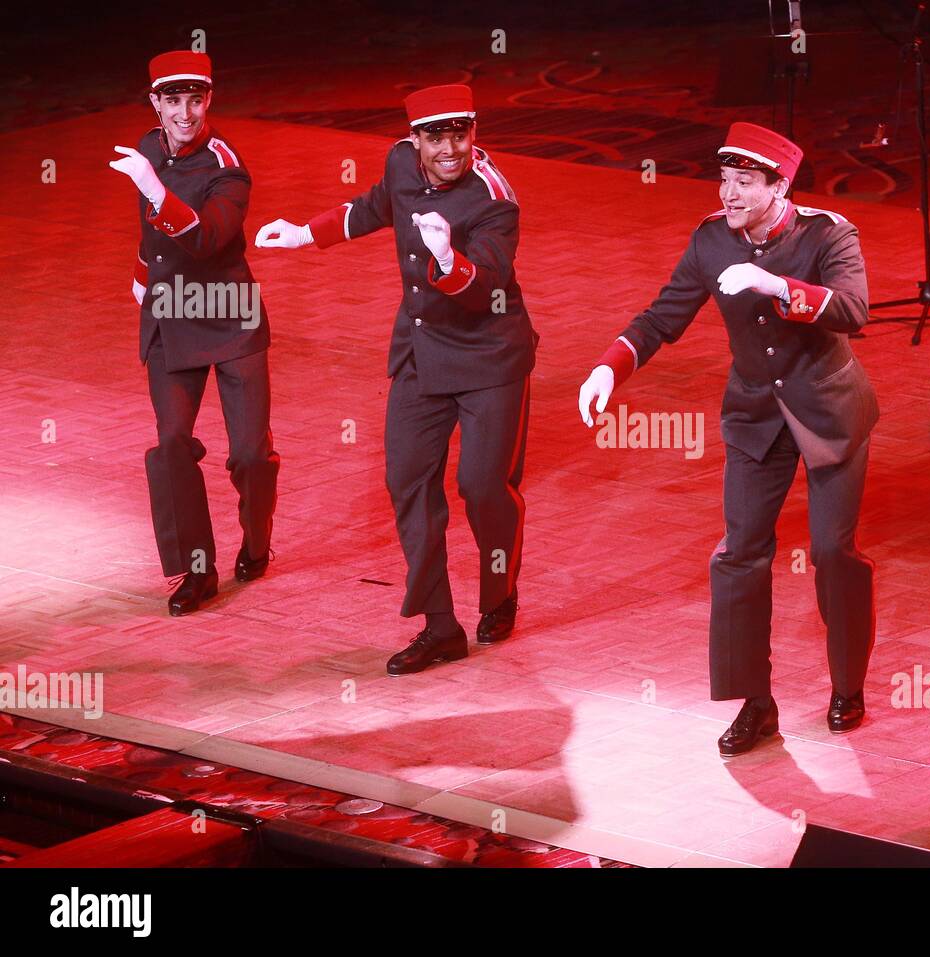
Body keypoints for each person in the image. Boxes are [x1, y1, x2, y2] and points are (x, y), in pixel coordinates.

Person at [578, 122, 878, 757]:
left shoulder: (828, 233)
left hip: (828, 409)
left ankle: (848, 683)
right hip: (754, 414)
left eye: (746, 182)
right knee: (739, 554)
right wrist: (610, 364)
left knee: (833, 553)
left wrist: (777, 287)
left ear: (780, 186)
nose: (730, 193)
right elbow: (663, 316)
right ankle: (755, 702)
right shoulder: (711, 240)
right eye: (725, 180)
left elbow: (854, 310)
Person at [255, 84, 535, 673]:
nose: (451, 149)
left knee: (483, 488)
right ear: (415, 141)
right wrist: (307, 233)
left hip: (490, 359)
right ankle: (438, 625)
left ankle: (499, 591)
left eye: (461, 134)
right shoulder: (399, 164)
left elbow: (486, 284)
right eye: (436, 138)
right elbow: (374, 206)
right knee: (408, 481)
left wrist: (446, 259)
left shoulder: (495, 199)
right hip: (421, 351)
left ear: (474, 133)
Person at [110, 50, 278, 616]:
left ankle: (257, 540)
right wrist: (140, 277)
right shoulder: (148, 148)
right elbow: (151, 237)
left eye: (196, 99)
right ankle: (197, 569)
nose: (186, 112)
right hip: (172, 313)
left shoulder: (228, 165)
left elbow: (208, 240)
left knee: (251, 456)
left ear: (209, 100)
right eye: (173, 100)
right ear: (155, 103)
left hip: (230, 312)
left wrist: (155, 191)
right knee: (173, 442)